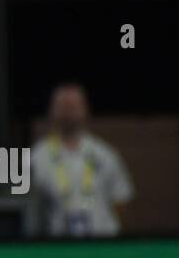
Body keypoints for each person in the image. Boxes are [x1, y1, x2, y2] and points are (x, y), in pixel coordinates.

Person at [31, 83, 133, 237]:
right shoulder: (37, 157)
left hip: (103, 243)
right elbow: (27, 207)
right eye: (63, 106)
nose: (68, 112)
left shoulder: (105, 154)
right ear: (51, 110)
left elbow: (121, 202)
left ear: (86, 110)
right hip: (57, 246)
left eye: (74, 106)